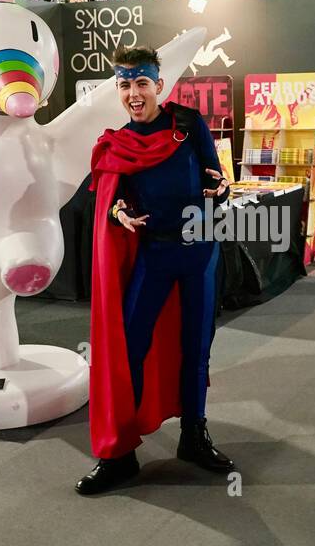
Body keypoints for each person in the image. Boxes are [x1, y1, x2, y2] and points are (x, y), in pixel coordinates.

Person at [77, 46, 235, 496]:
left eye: (141, 83)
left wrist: (220, 189)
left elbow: (217, 181)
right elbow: (112, 199)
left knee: (195, 348)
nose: (133, 93)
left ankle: (193, 436)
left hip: (199, 254)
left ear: (159, 86)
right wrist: (117, 214)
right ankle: (120, 454)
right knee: (128, 351)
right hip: (152, 258)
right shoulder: (118, 143)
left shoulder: (188, 124)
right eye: (124, 84)